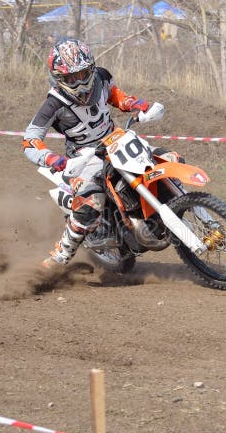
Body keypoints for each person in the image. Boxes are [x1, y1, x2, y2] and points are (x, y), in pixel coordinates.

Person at [22, 38, 152, 270]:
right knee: (90, 202)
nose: (80, 82)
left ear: (91, 68)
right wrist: (50, 158)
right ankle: (60, 255)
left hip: (117, 140)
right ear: (59, 78)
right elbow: (30, 140)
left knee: (159, 159)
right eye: (71, 78)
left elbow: (115, 95)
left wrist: (132, 103)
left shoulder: (101, 77)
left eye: (83, 73)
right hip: (84, 156)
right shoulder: (53, 104)